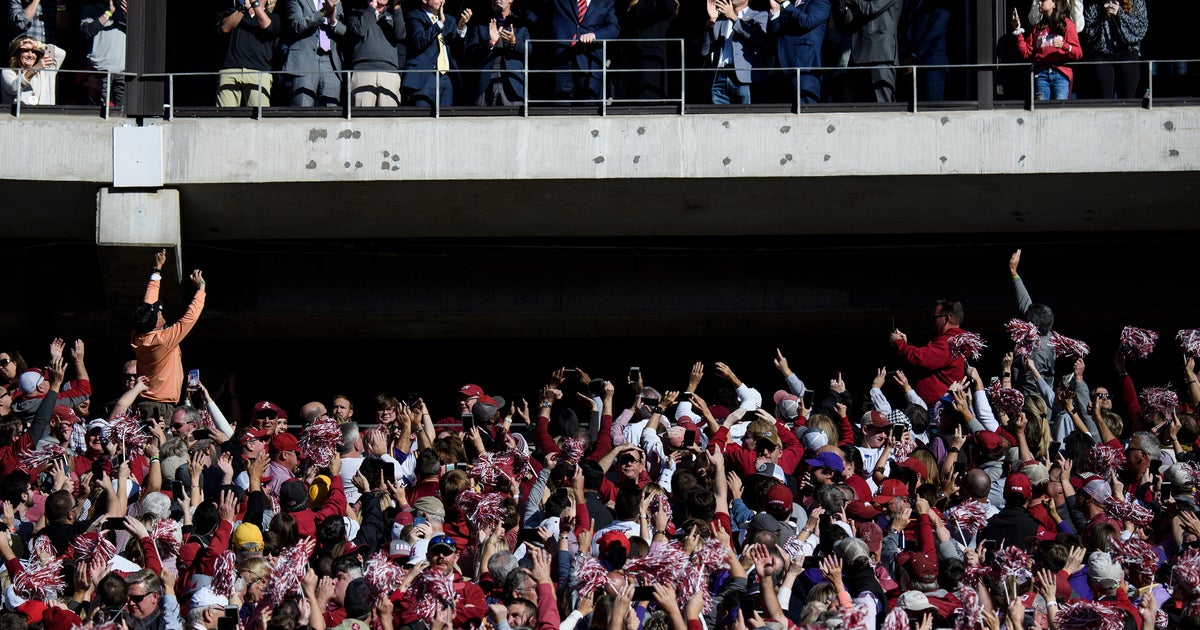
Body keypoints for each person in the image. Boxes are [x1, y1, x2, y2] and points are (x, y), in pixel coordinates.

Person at [130, 250, 207, 421]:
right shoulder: (163, 340)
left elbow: (148, 303)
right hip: (161, 408)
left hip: (146, 403)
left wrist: (157, 269)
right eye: (158, 313)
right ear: (154, 323)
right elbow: (190, 317)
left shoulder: (138, 335)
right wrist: (201, 287)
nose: (160, 312)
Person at [891, 299, 966, 406]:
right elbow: (923, 364)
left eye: (934, 317)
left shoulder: (948, 342)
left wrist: (899, 343)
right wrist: (905, 345)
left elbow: (919, 359)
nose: (932, 321)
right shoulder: (954, 340)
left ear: (946, 318)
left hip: (937, 408)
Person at [545, 0, 619, 102]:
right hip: (563, 60)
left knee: (590, 105)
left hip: (591, 61)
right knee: (562, 105)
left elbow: (613, 28)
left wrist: (595, 36)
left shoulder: (605, 2)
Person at [699, 0, 769, 105]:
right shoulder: (722, 20)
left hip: (744, 78)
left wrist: (733, 17)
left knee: (745, 113)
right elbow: (705, 51)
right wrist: (712, 20)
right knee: (719, 114)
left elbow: (758, 39)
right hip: (720, 75)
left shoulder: (759, 15)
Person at [1012, 0, 1083, 101]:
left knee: (1060, 108)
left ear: (1054, 4)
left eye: (1043, 0)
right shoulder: (1038, 27)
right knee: (1041, 108)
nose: (1039, 3)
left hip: (1061, 74)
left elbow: (1078, 53)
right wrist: (1018, 31)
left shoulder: (1067, 24)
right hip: (1041, 75)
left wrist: (1064, 45)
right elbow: (1025, 52)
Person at [402, 0, 468, 108]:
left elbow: (457, 51)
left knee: (445, 116)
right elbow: (419, 41)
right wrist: (439, 23)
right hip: (424, 76)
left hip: (446, 78)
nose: (442, 1)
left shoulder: (450, 20)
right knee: (422, 116)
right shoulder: (414, 16)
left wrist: (460, 29)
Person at [835, 0, 903, 103]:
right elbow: (849, 24)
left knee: (883, 105)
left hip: (880, 55)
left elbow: (871, 8)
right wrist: (843, 6)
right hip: (858, 54)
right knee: (860, 106)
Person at [281, 0, 347, 106]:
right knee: (303, 107)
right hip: (304, 61)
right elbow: (297, 25)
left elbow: (345, 31)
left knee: (331, 108)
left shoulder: (336, 1)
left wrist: (333, 22)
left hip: (330, 62)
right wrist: (323, 12)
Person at [462, 0, 528, 106]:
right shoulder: (481, 23)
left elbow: (530, 50)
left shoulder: (521, 23)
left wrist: (514, 42)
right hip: (485, 82)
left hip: (512, 83)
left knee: (514, 116)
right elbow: (470, 53)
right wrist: (490, 43)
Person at [217, 0, 281, 107]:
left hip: (258, 71)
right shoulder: (233, 12)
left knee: (258, 113)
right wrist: (244, 8)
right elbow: (225, 28)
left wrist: (255, 4)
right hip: (231, 69)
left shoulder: (273, 18)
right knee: (225, 114)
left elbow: (267, 27)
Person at [1079, 0, 1147, 99]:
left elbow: (1140, 30)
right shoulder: (1095, 4)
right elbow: (1089, 34)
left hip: (1128, 53)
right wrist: (1103, 13)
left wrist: (1120, 14)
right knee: (1104, 99)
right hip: (1103, 55)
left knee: (1127, 100)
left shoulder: (1136, 2)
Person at [345, 0, 406, 107]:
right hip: (363, 71)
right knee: (362, 115)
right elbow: (359, 31)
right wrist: (372, 8)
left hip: (389, 72)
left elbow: (400, 35)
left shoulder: (392, 14)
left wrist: (397, 8)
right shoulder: (357, 12)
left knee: (389, 116)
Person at [768, 0, 828, 104]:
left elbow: (808, 22)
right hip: (782, 66)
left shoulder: (820, 2)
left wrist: (785, 3)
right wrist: (775, 12)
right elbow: (775, 33)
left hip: (804, 66)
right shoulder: (790, 3)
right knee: (781, 109)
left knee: (805, 107)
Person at [79, 0, 126, 108]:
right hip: (99, 69)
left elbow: (141, 32)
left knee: (123, 110)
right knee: (100, 109)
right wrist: (108, 13)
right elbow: (87, 31)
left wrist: (129, 16)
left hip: (123, 69)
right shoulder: (90, 9)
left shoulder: (126, 10)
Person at [2, 36, 65, 105]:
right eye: (26, 51)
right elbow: (13, 88)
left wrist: (37, 45)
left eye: (34, 51)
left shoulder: (46, 69)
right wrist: (35, 69)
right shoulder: (7, 72)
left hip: (45, 112)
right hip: (19, 112)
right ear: (17, 53)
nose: (30, 55)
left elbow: (60, 54)